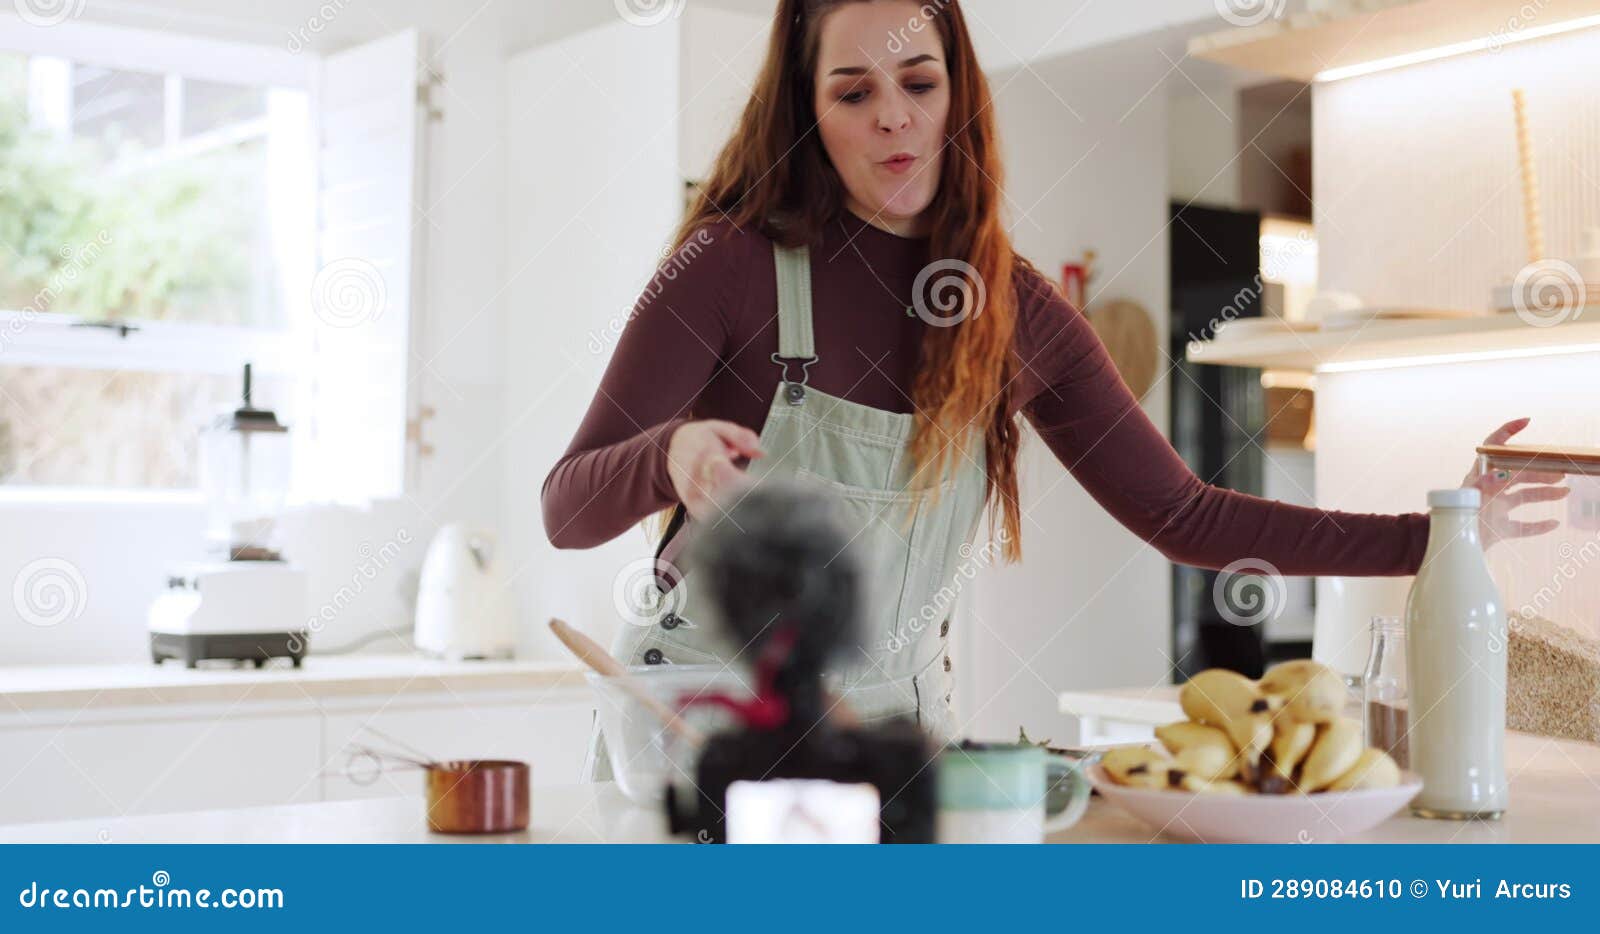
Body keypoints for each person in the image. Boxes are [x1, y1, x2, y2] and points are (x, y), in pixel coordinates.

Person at [541, 0, 1567, 768]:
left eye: (918, 82)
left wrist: (1441, 528)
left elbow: (1185, 512)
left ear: (958, 94)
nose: (893, 118)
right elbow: (566, 508)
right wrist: (667, 454)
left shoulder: (1014, 309)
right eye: (853, 92)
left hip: (895, 741)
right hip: (702, 729)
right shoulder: (731, 264)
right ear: (808, 113)